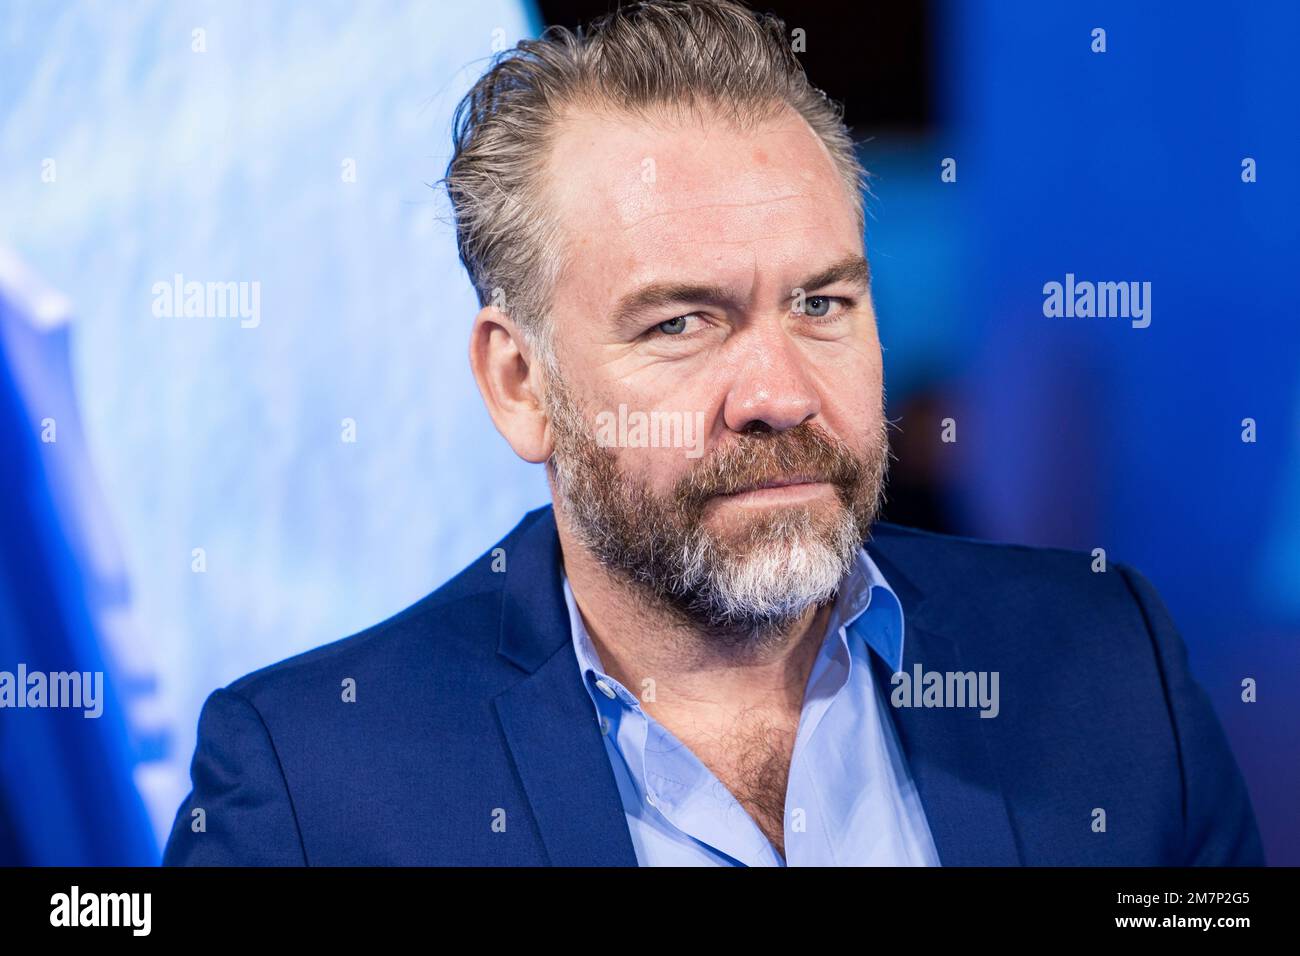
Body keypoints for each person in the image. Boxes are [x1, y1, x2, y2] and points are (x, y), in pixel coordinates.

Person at [163, 0, 1263, 866]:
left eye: (821, 304)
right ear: (519, 383)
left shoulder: (1111, 667)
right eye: (682, 321)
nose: (777, 393)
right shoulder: (313, 785)